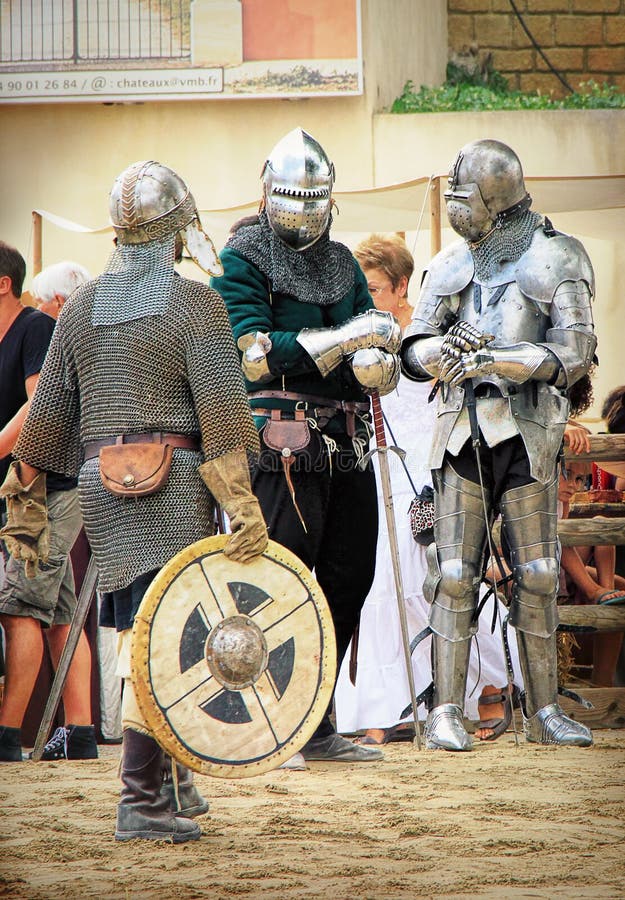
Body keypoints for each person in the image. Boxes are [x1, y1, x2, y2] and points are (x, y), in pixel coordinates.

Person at [0, 160, 268, 842]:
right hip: (172, 479)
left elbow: (47, 423)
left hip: (100, 484)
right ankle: (141, 801)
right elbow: (224, 414)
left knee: (142, 631)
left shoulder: (81, 306)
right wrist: (242, 505)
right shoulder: (195, 304)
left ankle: (174, 778)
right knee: (165, 641)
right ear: (174, 231)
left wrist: (25, 501)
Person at [212, 128, 401, 767]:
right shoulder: (242, 259)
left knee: (349, 578)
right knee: (280, 581)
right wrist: (351, 336)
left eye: (312, 198)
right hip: (280, 444)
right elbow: (251, 356)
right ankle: (274, 723)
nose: (302, 210)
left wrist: (376, 357)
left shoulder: (343, 263)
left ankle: (317, 723)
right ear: (269, 192)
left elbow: (356, 360)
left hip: (347, 441)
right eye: (293, 197)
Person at [401, 138, 596, 750]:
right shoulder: (449, 264)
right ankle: (444, 713)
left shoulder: (556, 256)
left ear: (497, 198)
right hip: (461, 430)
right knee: (454, 573)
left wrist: (504, 358)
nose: (459, 206)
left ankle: (544, 712)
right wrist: (443, 352)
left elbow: (575, 351)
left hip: (528, 430)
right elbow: (413, 348)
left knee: (537, 574)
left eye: (468, 195)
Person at [334, 234, 523, 745]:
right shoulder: (360, 333)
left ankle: (477, 687)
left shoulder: (429, 334)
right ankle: (380, 706)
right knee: (376, 586)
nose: (365, 296)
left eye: (373, 288)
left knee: (442, 581)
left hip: (430, 469)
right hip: (376, 470)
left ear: (400, 286)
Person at [0, 252, 97, 763]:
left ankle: (5, 735)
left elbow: (41, 407)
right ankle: (79, 733)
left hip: (47, 488)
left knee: (19, 609)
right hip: (41, 486)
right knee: (59, 615)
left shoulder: (38, 326)